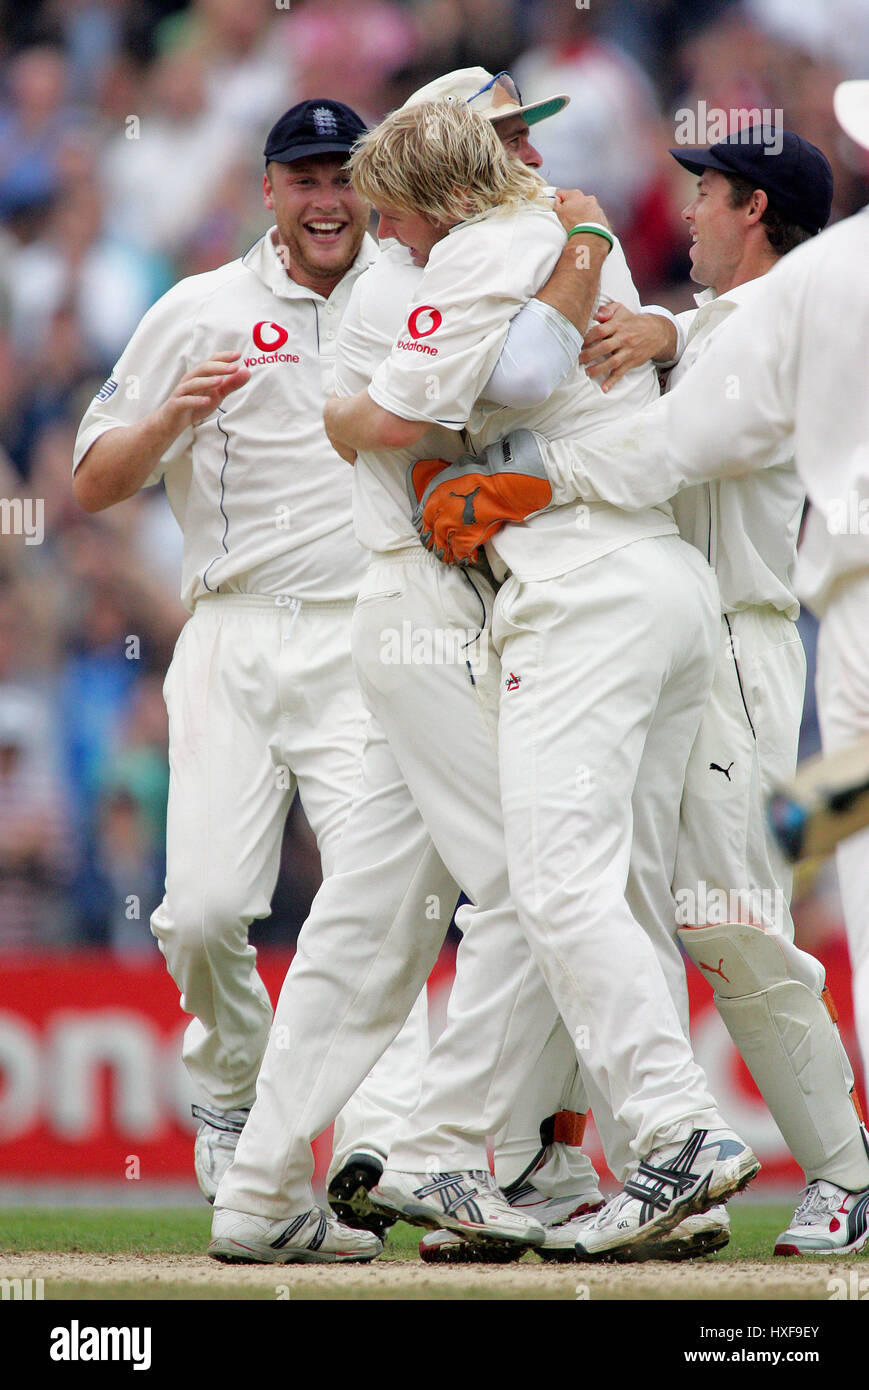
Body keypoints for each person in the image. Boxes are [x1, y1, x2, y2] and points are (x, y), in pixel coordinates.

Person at [420, 84, 869, 1256]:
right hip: (668, 634)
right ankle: (640, 1179)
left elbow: (679, 442)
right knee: (598, 898)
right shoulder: (728, 315)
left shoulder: (784, 316)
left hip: (742, 636)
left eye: (704, 194)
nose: (687, 211)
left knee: (728, 921)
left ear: (752, 207)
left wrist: (532, 474)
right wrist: (669, 329)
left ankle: (841, 1167)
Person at [319, 98, 759, 1263]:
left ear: (433, 197)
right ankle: (450, 1150)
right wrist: (594, 248)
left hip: (578, 596)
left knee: (551, 884)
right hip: (661, 585)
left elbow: (505, 372)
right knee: (611, 893)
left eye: (393, 216)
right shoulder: (558, 229)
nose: (388, 241)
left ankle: (674, 1132)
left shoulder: (478, 252)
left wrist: (342, 413)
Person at [71, 99, 443, 1238]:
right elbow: (89, 479)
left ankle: (378, 1154)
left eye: (343, 179)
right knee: (205, 912)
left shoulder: (410, 300)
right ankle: (231, 1085)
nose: (327, 200)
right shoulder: (200, 310)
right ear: (269, 191)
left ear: (368, 189)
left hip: (369, 633)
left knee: (376, 905)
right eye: (305, 179)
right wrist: (165, 422)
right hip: (231, 634)